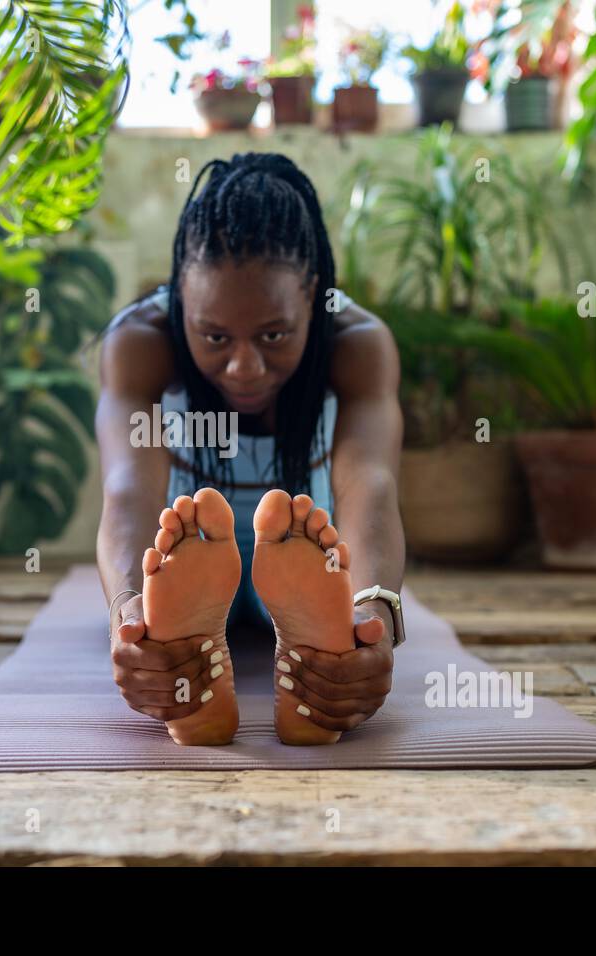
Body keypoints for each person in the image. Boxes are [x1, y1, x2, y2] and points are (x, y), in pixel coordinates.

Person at [95, 152, 405, 746]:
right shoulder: (139, 341)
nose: (243, 366)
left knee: (313, 584)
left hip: (301, 546)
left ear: (312, 296)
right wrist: (129, 614)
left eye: (274, 335)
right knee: (173, 591)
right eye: (213, 336)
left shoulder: (357, 343)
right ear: (181, 299)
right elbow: (128, 489)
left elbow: (370, 485)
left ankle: (316, 638)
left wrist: (373, 617)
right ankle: (180, 633)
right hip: (187, 546)